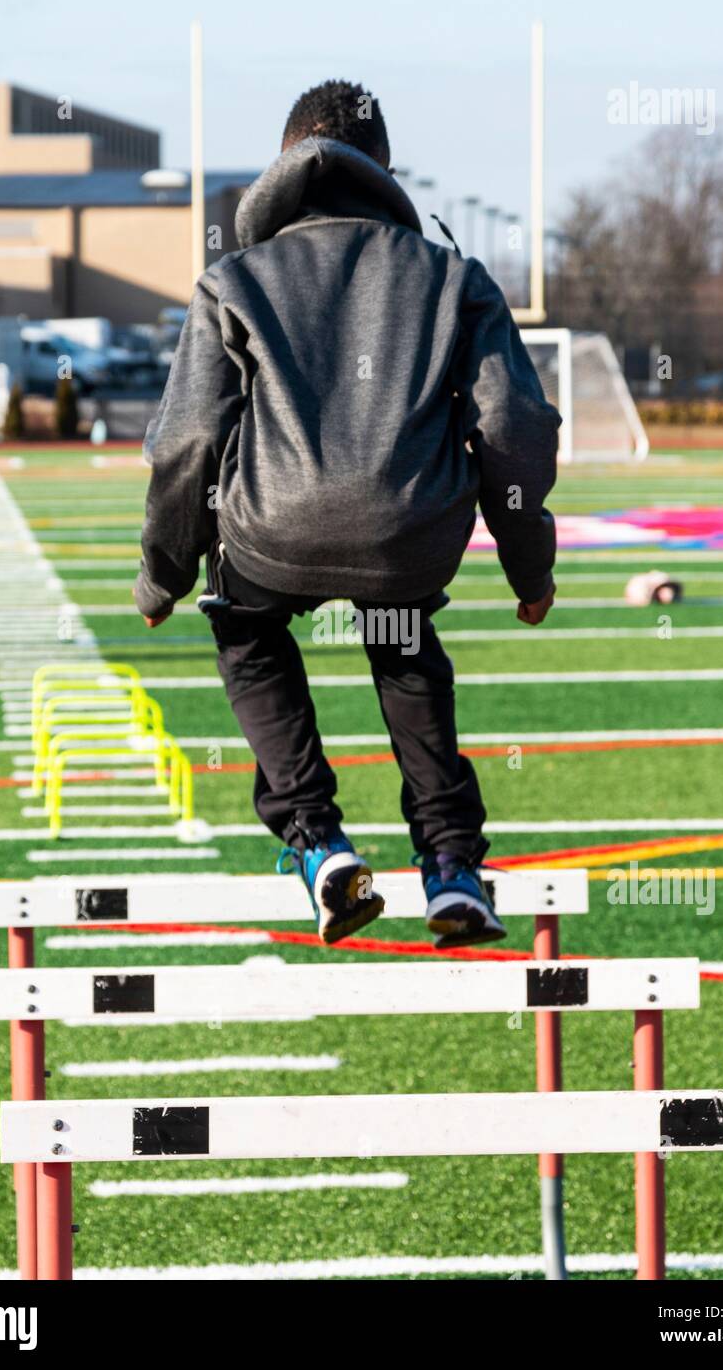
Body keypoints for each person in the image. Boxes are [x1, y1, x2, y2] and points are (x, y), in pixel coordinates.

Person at [135, 79, 559, 948]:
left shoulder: (233, 279)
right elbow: (513, 425)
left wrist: (164, 573)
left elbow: (185, 441)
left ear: (278, 167)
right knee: (403, 645)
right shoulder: (451, 275)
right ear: (386, 172)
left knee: (248, 632)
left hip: (270, 533)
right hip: (409, 534)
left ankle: (319, 845)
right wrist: (529, 566)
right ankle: (451, 867)